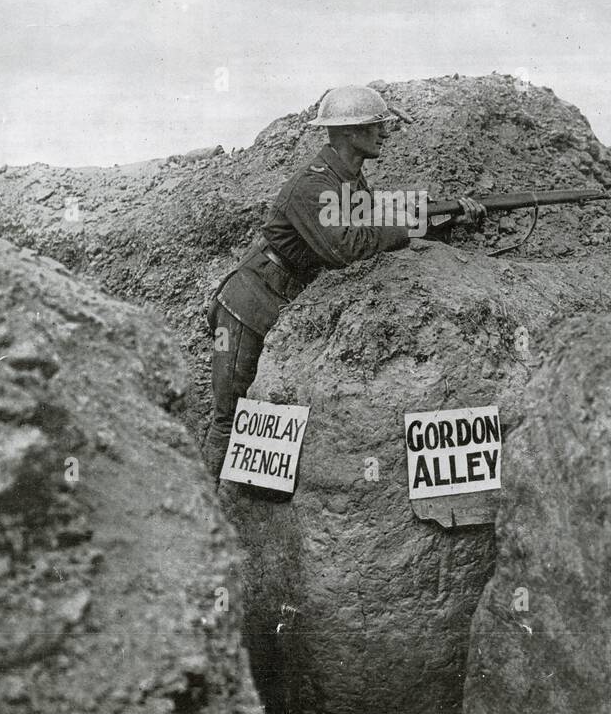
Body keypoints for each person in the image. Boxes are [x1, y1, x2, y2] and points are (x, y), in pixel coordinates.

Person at [202, 85, 485, 481]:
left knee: (264, 412)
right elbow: (348, 248)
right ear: (350, 132)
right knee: (228, 419)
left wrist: (447, 220)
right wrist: (406, 230)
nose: (384, 133)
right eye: (376, 126)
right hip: (246, 307)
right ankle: (197, 523)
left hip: (279, 303)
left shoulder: (349, 180)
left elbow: (375, 228)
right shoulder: (313, 186)